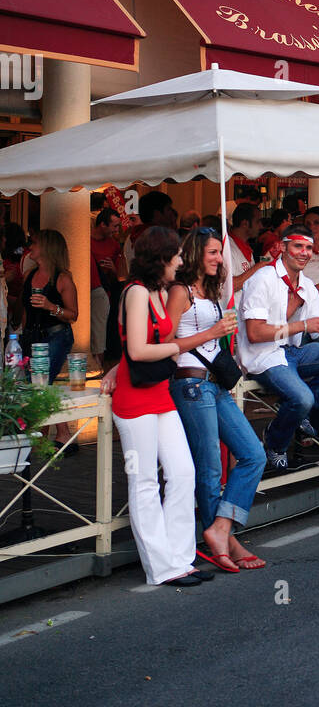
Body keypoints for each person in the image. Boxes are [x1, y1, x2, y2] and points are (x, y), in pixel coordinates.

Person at [167, 230, 268, 572]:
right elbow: (164, 343)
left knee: (253, 454)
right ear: (196, 253)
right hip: (191, 385)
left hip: (215, 384)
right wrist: (211, 334)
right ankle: (223, 540)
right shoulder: (180, 292)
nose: (218, 259)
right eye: (212, 253)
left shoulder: (209, 291)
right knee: (210, 469)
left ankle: (220, 528)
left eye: (219, 254)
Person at [110, 226, 204, 587]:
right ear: (161, 258)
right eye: (176, 254)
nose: (181, 260)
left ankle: (180, 559)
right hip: (135, 399)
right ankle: (162, 567)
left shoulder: (157, 291)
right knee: (145, 481)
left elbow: (140, 345)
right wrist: (180, 347)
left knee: (182, 472)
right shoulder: (135, 292)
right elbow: (136, 350)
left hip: (157, 393)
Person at [237, 224, 319, 469]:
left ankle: (300, 414)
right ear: (283, 247)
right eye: (298, 246)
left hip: (293, 352)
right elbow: (255, 334)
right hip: (263, 356)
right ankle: (275, 441)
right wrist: (302, 326)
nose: (304, 252)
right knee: (302, 398)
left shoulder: (306, 285)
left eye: (309, 247)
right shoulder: (263, 279)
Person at [21, 230, 78, 424]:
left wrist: (51, 307)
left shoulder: (62, 279)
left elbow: (73, 315)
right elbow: (25, 310)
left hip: (56, 337)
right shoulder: (29, 275)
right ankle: (62, 434)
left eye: (34, 243)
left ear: (46, 248)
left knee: (39, 384)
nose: (30, 247)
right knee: (41, 385)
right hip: (31, 337)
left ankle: (37, 437)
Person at [90, 207, 124, 370]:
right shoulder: (85, 241)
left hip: (104, 294)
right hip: (84, 291)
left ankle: (99, 370)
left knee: (100, 337)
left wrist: (112, 269)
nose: (117, 230)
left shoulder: (114, 246)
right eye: (114, 226)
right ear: (102, 224)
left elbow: (119, 278)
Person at [123, 190, 177, 273]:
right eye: (168, 209)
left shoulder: (132, 238)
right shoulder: (158, 237)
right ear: (157, 214)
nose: (171, 213)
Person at [226, 202, 263, 297]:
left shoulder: (245, 247)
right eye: (257, 222)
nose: (261, 226)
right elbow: (228, 285)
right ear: (245, 224)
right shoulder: (226, 248)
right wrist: (257, 268)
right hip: (231, 310)